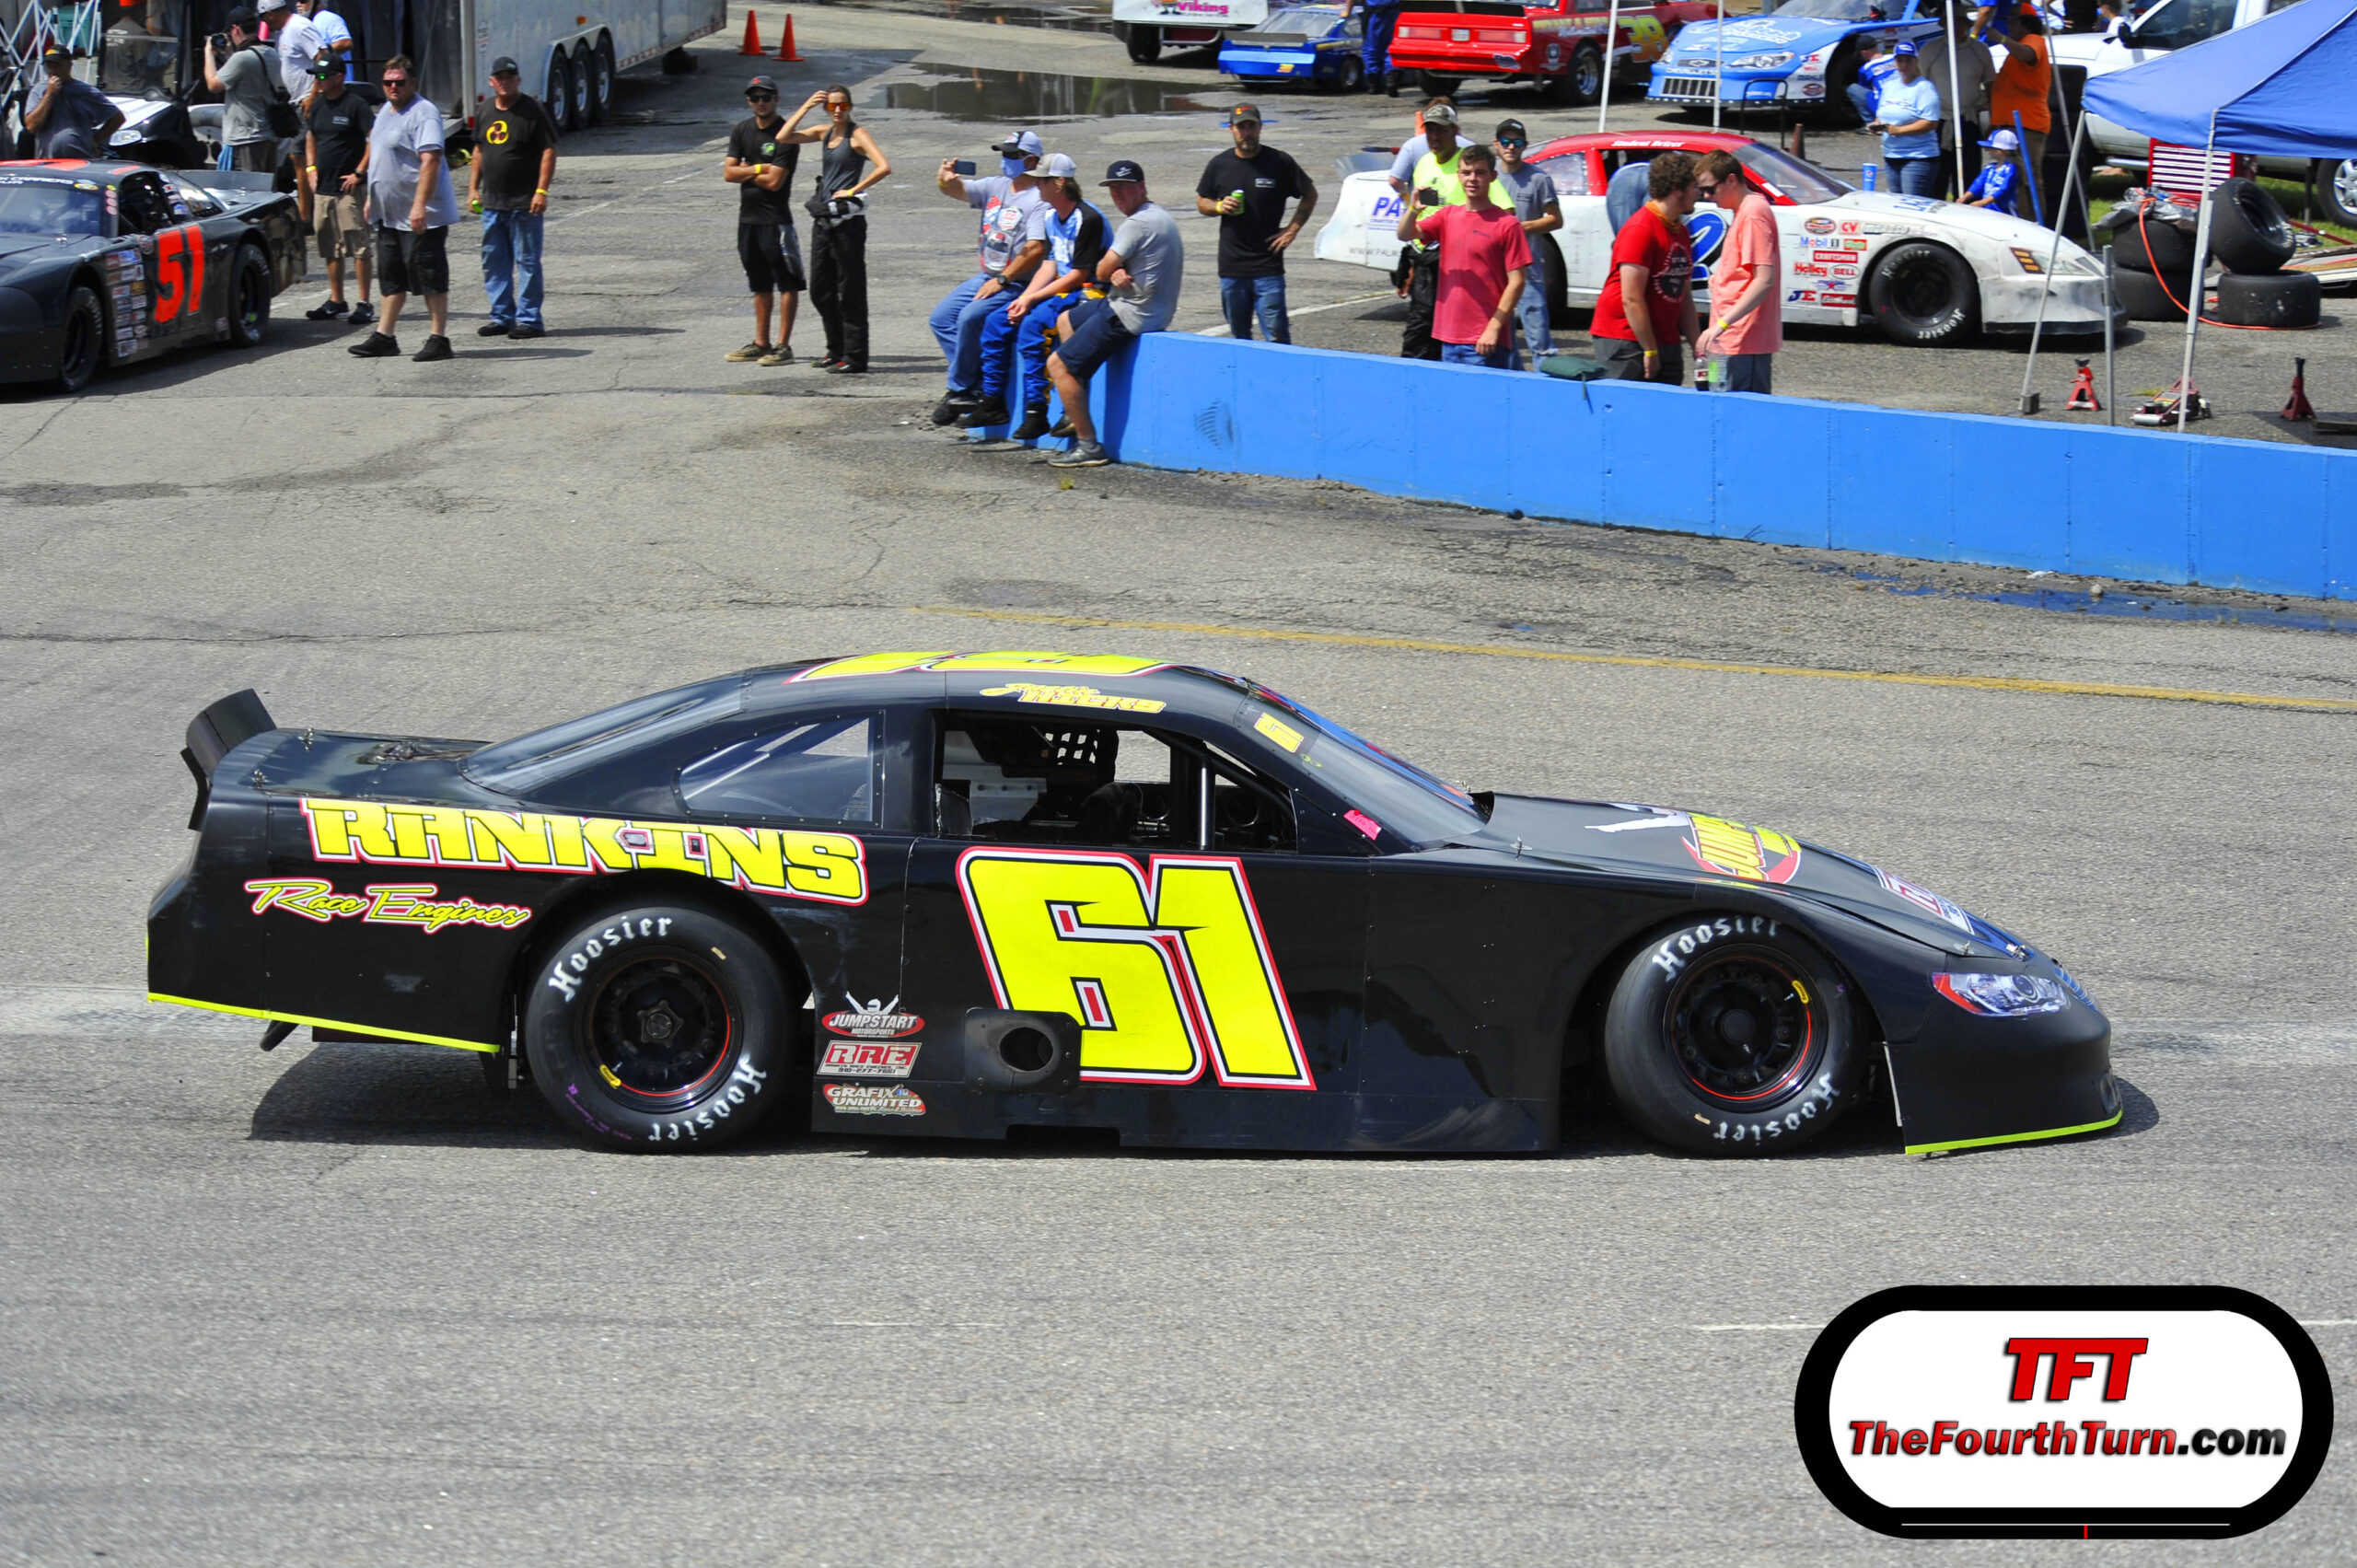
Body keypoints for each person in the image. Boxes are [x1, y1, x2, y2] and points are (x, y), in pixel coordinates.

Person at [1045, 160, 1182, 469]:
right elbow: (1115, 269)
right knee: (1066, 320)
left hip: (1131, 314)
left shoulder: (1137, 224)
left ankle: (1088, 445)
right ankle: (1074, 406)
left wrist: (1114, 269)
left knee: (1057, 365)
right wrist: (1117, 269)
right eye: (1113, 189)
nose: (1118, 194)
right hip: (1145, 307)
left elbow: (1102, 269)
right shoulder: (1159, 216)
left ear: (1142, 187)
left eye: (1124, 187)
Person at [978, 153, 1108, 441]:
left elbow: (1078, 274)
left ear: (1059, 183)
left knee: (1033, 326)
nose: (1037, 185)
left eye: (1042, 181)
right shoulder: (1051, 216)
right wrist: (1026, 297)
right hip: (1061, 286)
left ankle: (1037, 409)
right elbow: (1050, 264)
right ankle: (992, 401)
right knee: (997, 321)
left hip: (1089, 290)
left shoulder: (1088, 218)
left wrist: (1033, 300)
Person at [929, 130, 1046, 423]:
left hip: (1017, 281)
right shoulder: (997, 185)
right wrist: (945, 180)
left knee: (970, 318)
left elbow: (1035, 249)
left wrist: (1003, 279)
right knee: (942, 318)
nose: (1005, 160)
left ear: (1031, 160)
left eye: (1012, 155)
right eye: (1004, 153)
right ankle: (975, 380)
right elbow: (957, 191)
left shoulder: (1039, 199)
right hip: (987, 276)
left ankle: (960, 389)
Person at [350, 54, 457, 362]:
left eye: (399, 82)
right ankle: (385, 336)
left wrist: (420, 204)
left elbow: (431, 159)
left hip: (421, 215)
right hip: (389, 214)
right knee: (391, 276)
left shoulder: (424, 112)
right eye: (388, 82)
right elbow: (379, 155)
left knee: (429, 275)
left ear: (412, 83)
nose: (393, 87)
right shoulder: (386, 110)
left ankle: (439, 338)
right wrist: (372, 198)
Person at [780, 84, 890, 374]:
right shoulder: (824, 132)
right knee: (820, 290)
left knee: (850, 290)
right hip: (824, 220)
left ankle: (855, 357)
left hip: (848, 224)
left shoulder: (857, 134)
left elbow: (883, 166)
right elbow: (783, 136)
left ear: (850, 106)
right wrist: (806, 107)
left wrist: (853, 190)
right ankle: (836, 350)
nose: (838, 110)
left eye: (843, 105)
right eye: (832, 106)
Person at [1393, 142, 1527, 370]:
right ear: (1458, 176)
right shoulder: (1447, 216)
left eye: (1480, 173)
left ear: (1493, 177)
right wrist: (1413, 209)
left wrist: (1494, 327)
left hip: (1484, 340)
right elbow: (1405, 234)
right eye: (1466, 172)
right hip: (1448, 337)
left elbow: (1517, 281)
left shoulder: (1508, 225)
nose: (1472, 179)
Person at [1194, 103, 1316, 343]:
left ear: (1260, 127)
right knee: (1239, 339)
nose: (1246, 133)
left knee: (1277, 337)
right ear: (1231, 129)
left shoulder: (1279, 162)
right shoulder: (1220, 164)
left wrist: (1292, 230)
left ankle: (1280, 369)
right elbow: (1201, 202)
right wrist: (1219, 206)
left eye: (1251, 126)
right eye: (1241, 127)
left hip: (1268, 266)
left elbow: (1310, 194)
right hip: (1232, 268)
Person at [467, 56, 559, 340]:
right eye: (500, 78)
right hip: (492, 204)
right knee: (494, 262)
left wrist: (541, 191)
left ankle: (530, 320)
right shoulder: (485, 109)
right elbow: (479, 150)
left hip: (524, 203)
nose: (504, 82)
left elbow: (548, 150)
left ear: (518, 80)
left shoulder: (532, 110)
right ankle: (502, 316)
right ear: (491, 81)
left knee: (527, 262)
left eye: (510, 77)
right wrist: (472, 188)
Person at [1589, 152, 1698, 385]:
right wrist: (1650, 350)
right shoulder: (1641, 228)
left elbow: (1684, 295)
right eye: (1694, 187)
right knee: (1623, 405)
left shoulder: (1680, 231)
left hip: (1665, 339)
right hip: (1625, 339)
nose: (1698, 193)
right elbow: (1631, 298)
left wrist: (1698, 346)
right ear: (1676, 189)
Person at [722, 75, 803, 366]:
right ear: (749, 101)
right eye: (755, 98)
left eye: (766, 97)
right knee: (759, 283)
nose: (760, 103)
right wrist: (758, 168)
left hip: (776, 220)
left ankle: (783, 346)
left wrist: (745, 170)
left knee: (787, 283)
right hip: (748, 220)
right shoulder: (741, 130)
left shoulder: (785, 135)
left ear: (776, 99)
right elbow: (728, 173)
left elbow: (775, 182)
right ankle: (760, 343)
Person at [1693, 149, 1781, 394]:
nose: (1707, 196)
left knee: (1733, 409)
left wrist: (1720, 325)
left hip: (1740, 340)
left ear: (1731, 180)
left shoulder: (1753, 214)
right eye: (1702, 191)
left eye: (1710, 189)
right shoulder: (1743, 210)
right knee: (1715, 398)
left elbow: (1764, 280)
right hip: (1726, 339)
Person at [300, 49, 374, 325]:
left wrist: (359, 173)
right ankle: (336, 300)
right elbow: (311, 137)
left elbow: (373, 140)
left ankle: (364, 303)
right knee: (329, 245)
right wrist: (310, 168)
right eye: (316, 76)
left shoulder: (356, 105)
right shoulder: (318, 105)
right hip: (323, 189)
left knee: (359, 246)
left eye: (323, 76)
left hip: (348, 189)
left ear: (339, 77)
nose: (318, 80)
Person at [1395, 101, 1470, 361]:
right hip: (1426, 261)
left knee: (1450, 337)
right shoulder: (1425, 162)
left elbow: (1501, 211)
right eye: (1430, 130)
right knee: (1417, 334)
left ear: (1455, 131)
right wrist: (1412, 264)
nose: (1435, 137)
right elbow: (1422, 211)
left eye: (1441, 130)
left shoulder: (1468, 165)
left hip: (1457, 264)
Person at [1492, 118, 1560, 365]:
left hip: (1528, 268)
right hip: (1494, 269)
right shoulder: (1488, 177)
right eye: (1506, 141)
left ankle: (1546, 378)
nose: (1511, 147)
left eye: (1517, 142)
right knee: (1501, 339)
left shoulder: (1538, 179)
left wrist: (1521, 227)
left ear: (1525, 146)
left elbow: (1556, 220)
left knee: (1539, 338)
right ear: (1496, 145)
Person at [1918, 4, 1996, 200]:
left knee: (1970, 173)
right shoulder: (1931, 50)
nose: (1955, 27)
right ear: (1944, 24)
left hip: (1969, 119)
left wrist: (1994, 119)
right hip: (1939, 120)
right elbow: (1920, 84)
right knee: (1938, 174)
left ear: (1966, 24)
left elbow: (1991, 85)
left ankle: (1967, 209)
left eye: (1959, 22)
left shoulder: (1980, 50)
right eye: (1950, 22)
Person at [1990, 8, 2054, 207]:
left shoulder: (2033, 40)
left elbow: (2027, 55)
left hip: (2026, 125)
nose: (2009, 26)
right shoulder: (2020, 46)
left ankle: (2033, 221)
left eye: (2013, 22)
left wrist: (2001, 39)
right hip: (2010, 123)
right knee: (2009, 177)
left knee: (2028, 179)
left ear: (2026, 23)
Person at [203, 10, 279, 173]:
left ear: (236, 29)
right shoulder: (271, 53)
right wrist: (229, 53)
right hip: (268, 136)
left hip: (246, 139)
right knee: (265, 188)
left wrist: (208, 53)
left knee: (246, 188)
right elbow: (245, 75)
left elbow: (213, 85)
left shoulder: (242, 59)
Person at [1867, 43, 1944, 197]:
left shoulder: (1924, 88)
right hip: (1891, 155)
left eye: (1908, 60)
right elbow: (1882, 113)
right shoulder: (1889, 86)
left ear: (1916, 62)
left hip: (1918, 157)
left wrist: (1899, 130)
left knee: (1911, 203)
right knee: (1896, 203)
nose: (1904, 65)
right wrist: (1877, 125)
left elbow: (1930, 122)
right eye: (1900, 60)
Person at [24, 46, 121, 159]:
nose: (53, 71)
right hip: (47, 161)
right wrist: (49, 94)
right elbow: (31, 126)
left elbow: (117, 118)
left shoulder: (86, 92)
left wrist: (95, 139)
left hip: (80, 161)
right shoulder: (39, 90)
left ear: (69, 65)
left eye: (58, 66)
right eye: (50, 66)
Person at [1962, 126, 2025, 216]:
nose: (1987, 150)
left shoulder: (2011, 169)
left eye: (1991, 147)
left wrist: (1982, 202)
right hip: (1988, 211)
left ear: (2002, 150)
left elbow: (2003, 190)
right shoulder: (1990, 168)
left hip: (2005, 214)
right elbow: (1978, 184)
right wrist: (1964, 198)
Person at [1340, 0, 1399, 93]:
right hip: (1394, 11)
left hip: (1374, 12)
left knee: (1371, 47)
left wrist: (1348, 11)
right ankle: (1391, 78)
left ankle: (1374, 82)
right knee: (1392, 45)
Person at [268, 0, 319, 105]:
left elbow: (323, 58)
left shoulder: (299, 26)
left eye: (263, 18)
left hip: (308, 101)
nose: (264, 23)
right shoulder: (280, 33)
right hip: (294, 103)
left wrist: (313, 96)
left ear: (270, 15)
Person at [1845, 37, 1898, 126]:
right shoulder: (1894, 58)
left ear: (1864, 52)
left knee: (1853, 89)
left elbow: (1865, 89)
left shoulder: (1865, 68)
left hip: (1884, 107)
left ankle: (1871, 123)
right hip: (1905, 101)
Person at [300, 0, 355, 81]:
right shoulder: (304, 23)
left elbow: (346, 43)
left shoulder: (329, 18)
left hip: (338, 83)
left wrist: (322, 53)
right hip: (318, 83)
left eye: (303, 1)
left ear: (318, 3)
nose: (298, 5)